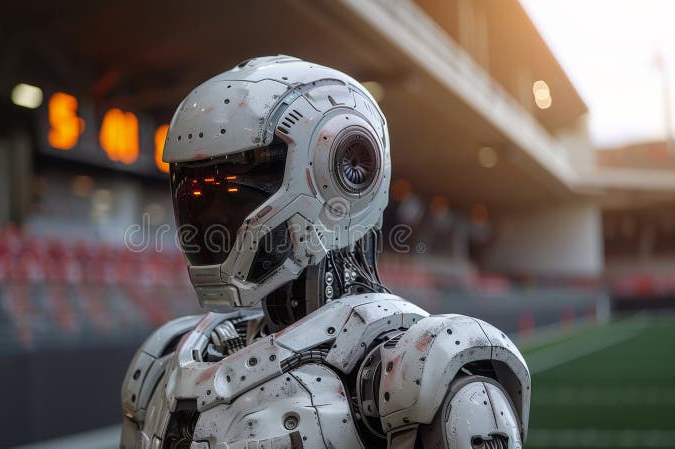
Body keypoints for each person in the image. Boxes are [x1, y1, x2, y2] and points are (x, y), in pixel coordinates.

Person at [120, 56, 529, 449]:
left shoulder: (413, 368)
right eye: (196, 193)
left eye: (232, 192)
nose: (210, 216)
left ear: (340, 179)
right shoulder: (172, 356)